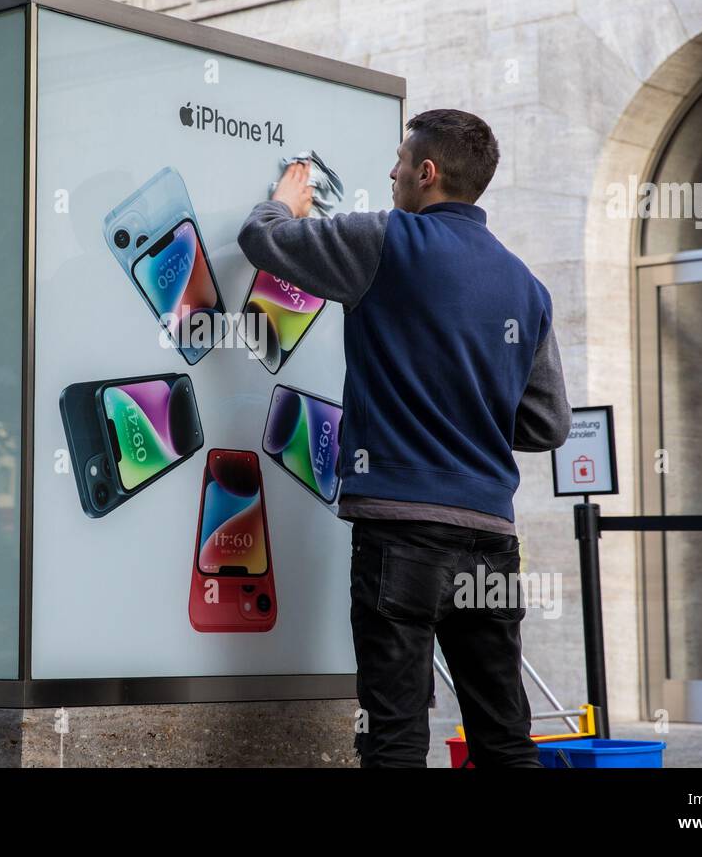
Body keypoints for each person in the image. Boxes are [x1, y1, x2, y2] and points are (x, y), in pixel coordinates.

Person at [238, 109, 573, 767]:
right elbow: (547, 424)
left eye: (399, 161)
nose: (390, 173)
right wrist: (467, 401)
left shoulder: (385, 243)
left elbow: (262, 240)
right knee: (503, 733)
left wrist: (283, 200)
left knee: (392, 734)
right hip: (491, 537)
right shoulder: (526, 288)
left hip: (403, 533)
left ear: (428, 172)